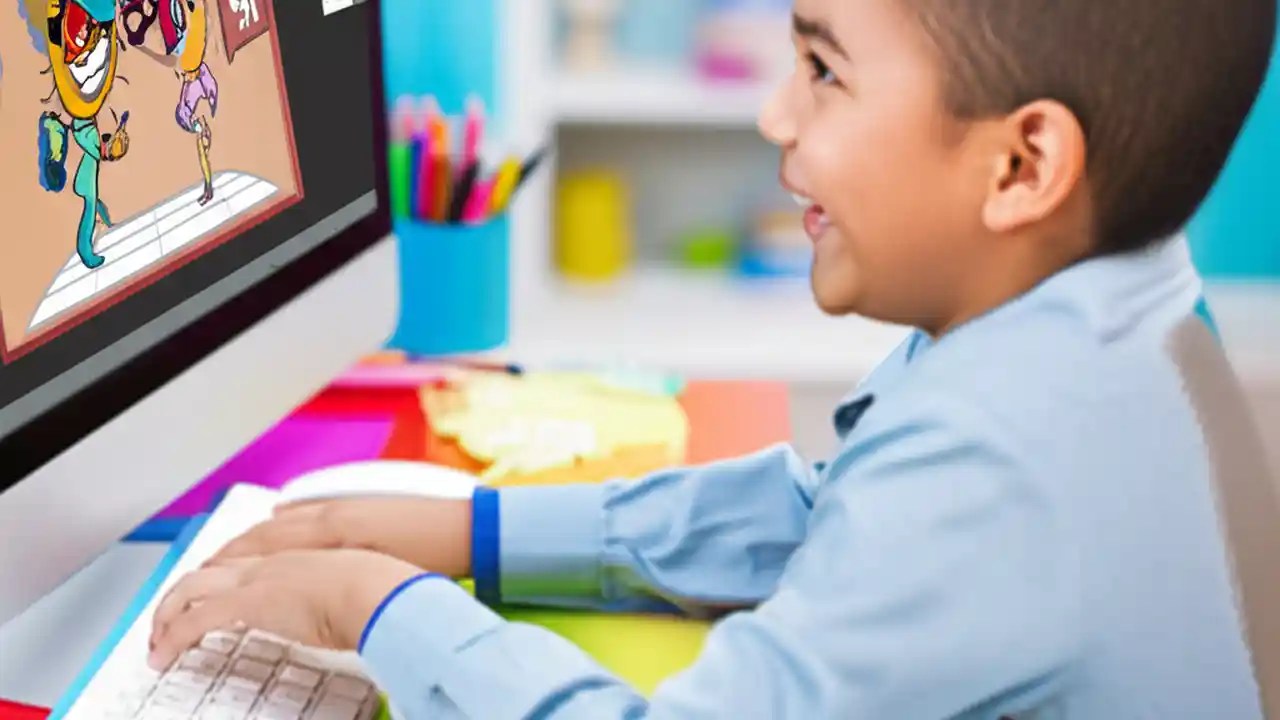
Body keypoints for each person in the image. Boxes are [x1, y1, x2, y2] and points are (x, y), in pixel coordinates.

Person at [147, 0, 1278, 716]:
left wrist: (374, 608)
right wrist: (477, 534)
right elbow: (826, 513)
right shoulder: (1101, 315)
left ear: (1021, 165)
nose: (775, 117)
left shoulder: (1005, 459)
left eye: (823, 70)